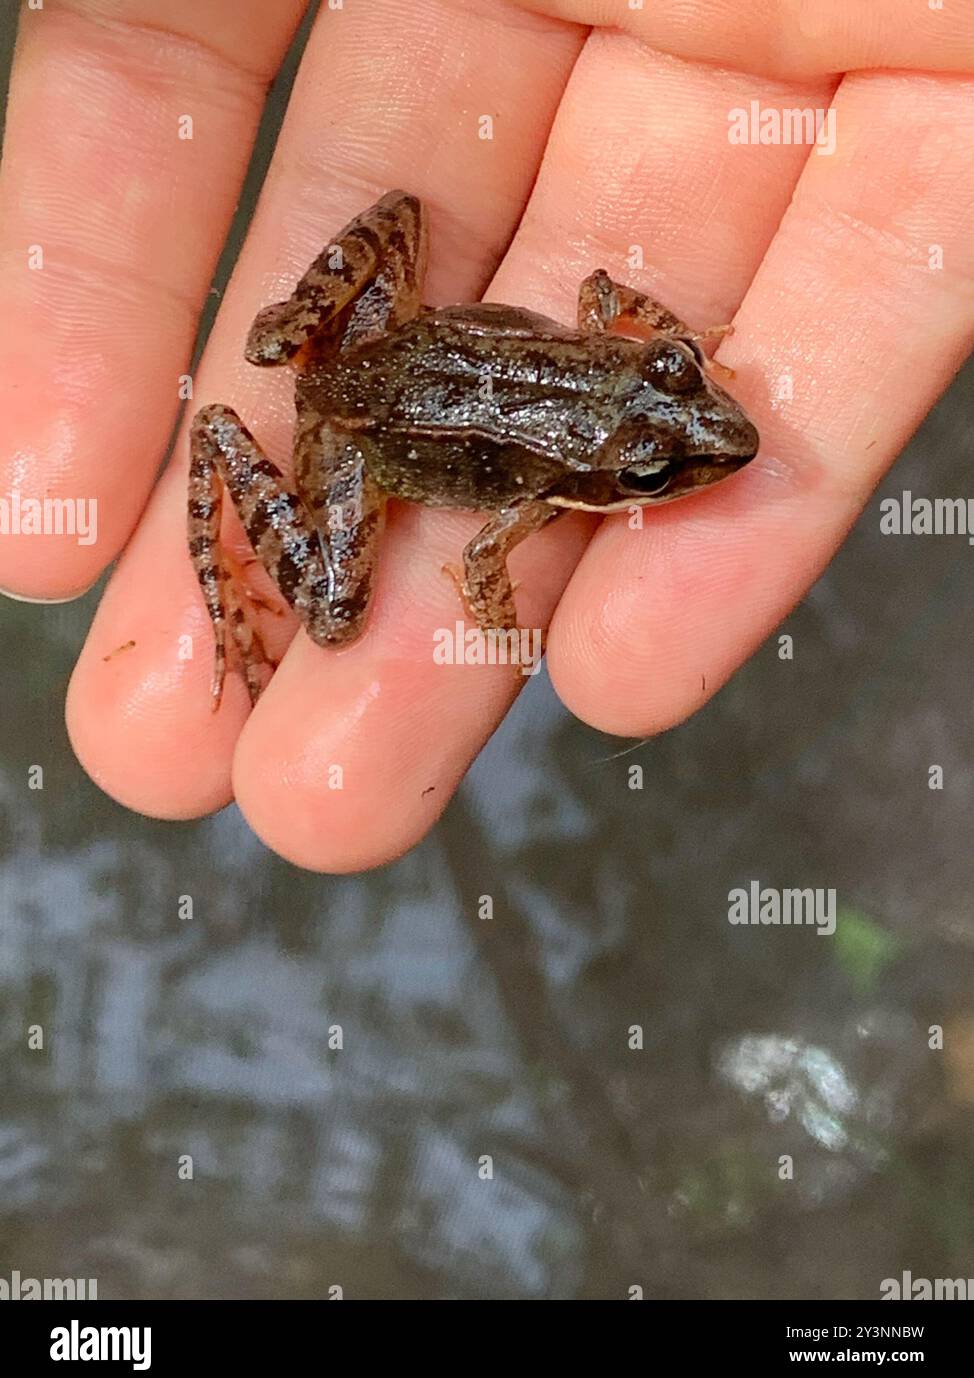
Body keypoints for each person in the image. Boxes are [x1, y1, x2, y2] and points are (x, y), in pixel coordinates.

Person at [1, 0, 971, 870]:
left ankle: (283, 344)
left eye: (668, 372)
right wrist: (500, 635)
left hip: (378, 334)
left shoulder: (600, 365)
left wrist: (669, 347)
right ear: (592, 481)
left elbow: (594, 306)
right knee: (333, 618)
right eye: (647, 470)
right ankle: (219, 460)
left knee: (403, 216)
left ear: (638, 359)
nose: (699, 426)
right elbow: (479, 562)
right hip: (358, 435)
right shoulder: (534, 489)